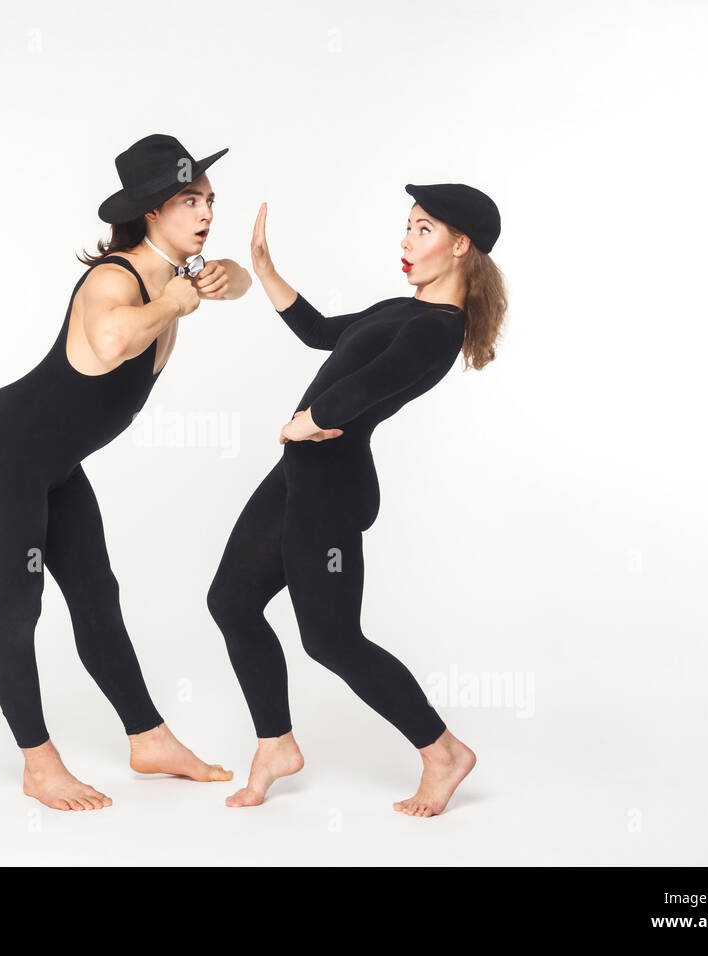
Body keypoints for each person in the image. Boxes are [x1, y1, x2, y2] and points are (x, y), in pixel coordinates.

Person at [0, 134, 252, 810]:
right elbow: (113, 338)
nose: (205, 213)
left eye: (208, 200)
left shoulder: (180, 272)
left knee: (97, 595)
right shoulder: (116, 278)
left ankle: (148, 738)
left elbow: (232, 280)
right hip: (5, 449)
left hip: (58, 463)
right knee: (18, 606)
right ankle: (39, 764)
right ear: (151, 213)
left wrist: (224, 276)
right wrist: (175, 304)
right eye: (188, 200)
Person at [207, 183, 506, 815]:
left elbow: (369, 386)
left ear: (460, 246)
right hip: (298, 476)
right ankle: (276, 744)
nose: (406, 239)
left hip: (331, 491)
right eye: (408, 226)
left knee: (332, 640)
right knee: (231, 601)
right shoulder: (401, 309)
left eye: (423, 230)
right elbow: (320, 333)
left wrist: (307, 419)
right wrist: (264, 270)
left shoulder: (438, 330)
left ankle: (442, 751)